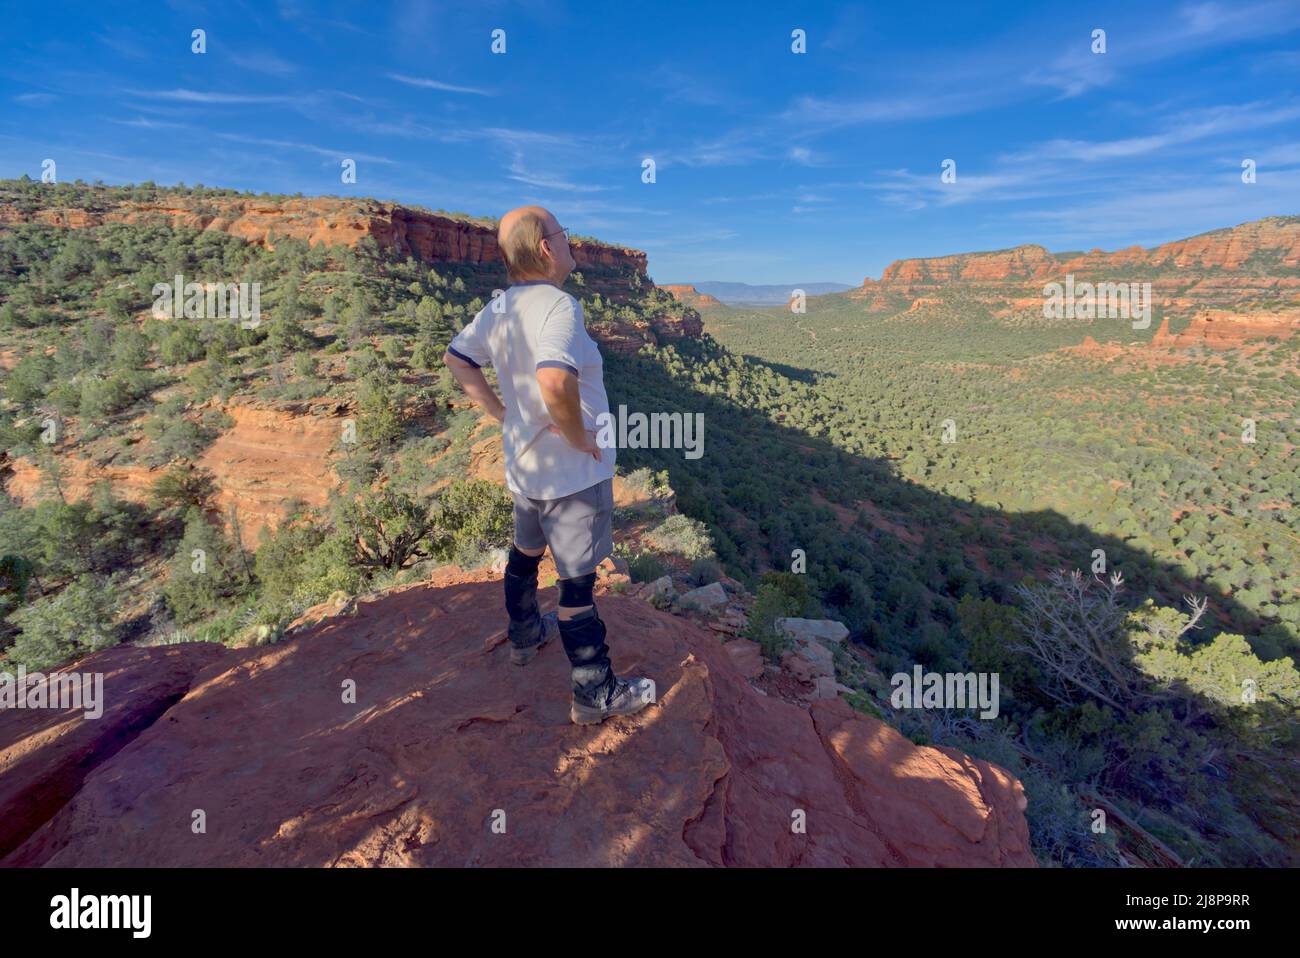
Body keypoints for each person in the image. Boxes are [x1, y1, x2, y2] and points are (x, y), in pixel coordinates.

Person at [442, 205, 655, 725]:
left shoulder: (499, 307)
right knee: (577, 585)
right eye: (564, 235)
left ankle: (523, 634)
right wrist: (582, 440)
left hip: (525, 469)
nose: (572, 243)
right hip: (572, 478)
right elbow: (555, 379)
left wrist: (499, 412)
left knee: (525, 554)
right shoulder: (559, 306)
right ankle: (594, 693)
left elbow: (457, 358)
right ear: (545, 247)